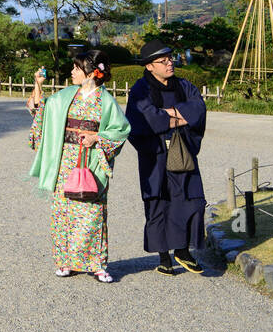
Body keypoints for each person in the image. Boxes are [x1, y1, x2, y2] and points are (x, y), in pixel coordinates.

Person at [26, 50, 131, 281]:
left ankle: (98, 264)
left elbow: (121, 129)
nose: (72, 72)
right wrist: (38, 84)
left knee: (92, 211)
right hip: (64, 160)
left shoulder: (106, 100)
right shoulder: (66, 96)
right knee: (63, 212)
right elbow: (41, 108)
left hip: (91, 159)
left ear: (92, 72)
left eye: (76, 68)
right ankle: (65, 262)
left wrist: (97, 138)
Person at [125, 41, 207, 275]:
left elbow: (198, 109)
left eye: (171, 58)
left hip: (183, 149)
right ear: (150, 66)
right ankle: (164, 256)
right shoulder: (141, 89)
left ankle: (183, 250)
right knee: (159, 200)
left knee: (190, 199)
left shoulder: (184, 85)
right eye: (164, 60)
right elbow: (142, 118)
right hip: (156, 152)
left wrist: (166, 116)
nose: (170, 63)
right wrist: (179, 117)